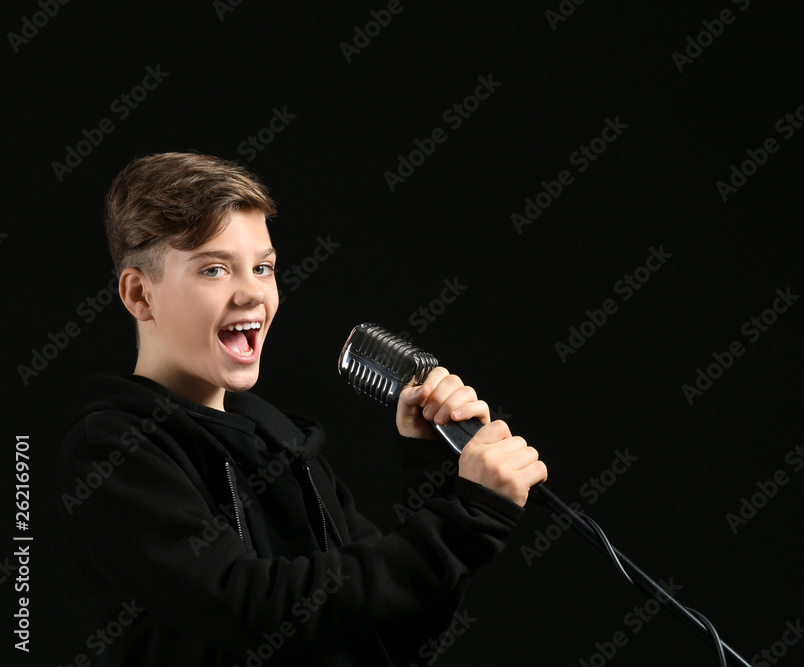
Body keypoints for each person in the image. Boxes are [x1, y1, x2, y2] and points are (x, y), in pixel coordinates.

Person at [54, 152, 548, 666]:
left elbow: (387, 636)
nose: (252, 292)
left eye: (263, 267)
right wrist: (462, 521)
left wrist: (440, 477)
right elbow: (254, 611)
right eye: (215, 269)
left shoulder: (284, 443)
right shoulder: (112, 451)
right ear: (140, 295)